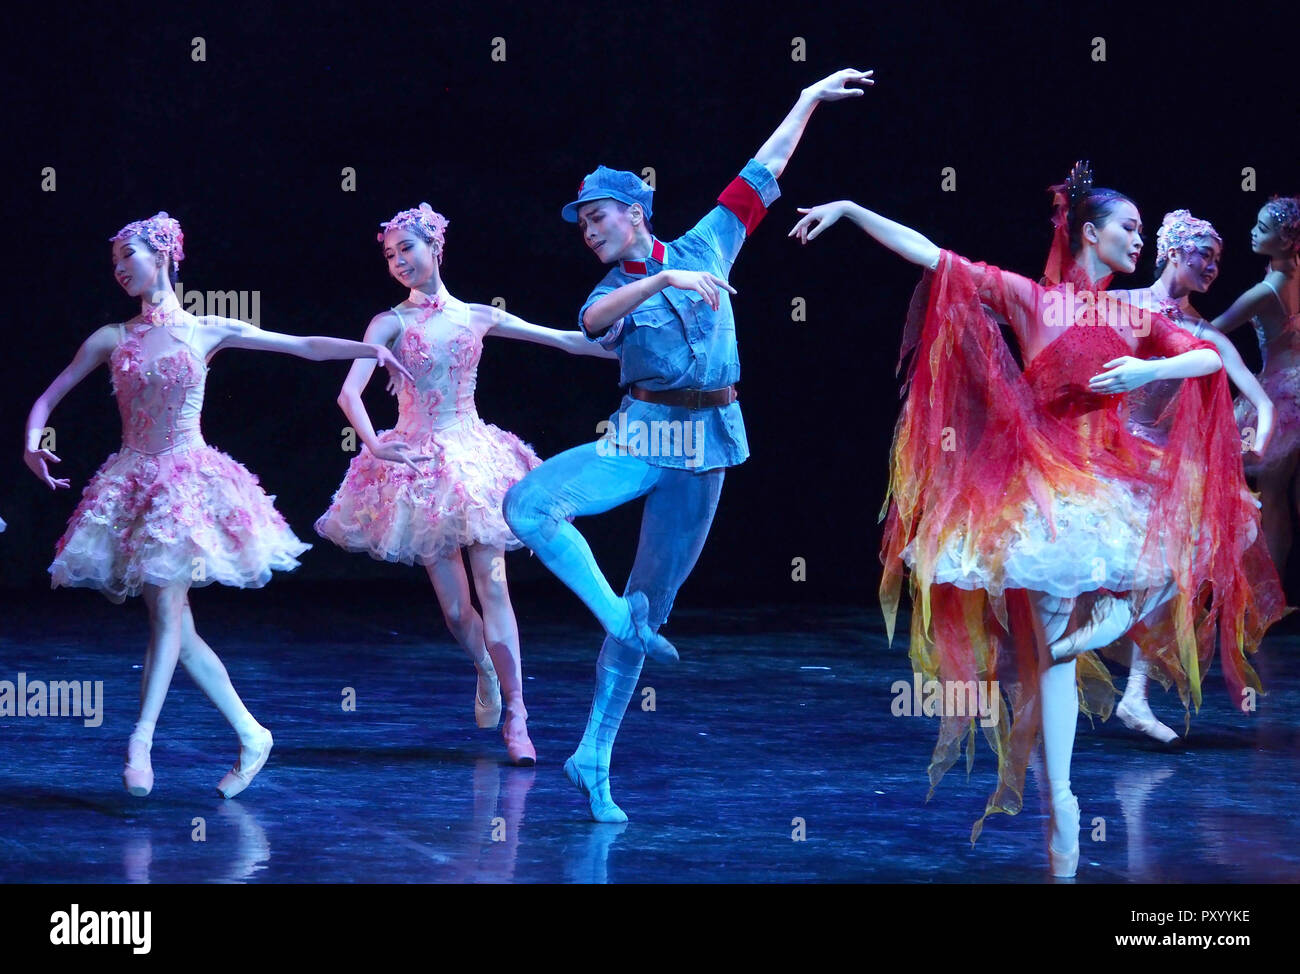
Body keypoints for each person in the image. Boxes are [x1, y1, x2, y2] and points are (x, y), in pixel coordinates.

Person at [790, 163, 1283, 877]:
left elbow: (1207, 356)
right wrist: (850, 204)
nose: (1139, 242)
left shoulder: (1135, 316)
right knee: (1046, 654)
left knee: (1184, 555)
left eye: (1144, 233)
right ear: (1090, 232)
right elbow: (932, 255)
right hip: (1038, 485)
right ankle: (1062, 806)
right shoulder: (1032, 299)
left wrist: (1149, 373)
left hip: (1111, 477)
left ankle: (1108, 633)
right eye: (1129, 229)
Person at [503, 67, 875, 823]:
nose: (590, 230)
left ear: (637, 210)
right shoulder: (616, 288)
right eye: (582, 225)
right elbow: (593, 324)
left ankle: (593, 759)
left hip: (707, 440)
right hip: (643, 432)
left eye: (599, 216)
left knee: (654, 604)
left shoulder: (708, 243)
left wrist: (803, 99)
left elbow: (762, 172)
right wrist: (662, 280)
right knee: (528, 505)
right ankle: (611, 614)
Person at [23, 211, 412, 798]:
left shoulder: (207, 329)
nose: (120, 270)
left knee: (165, 616)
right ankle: (252, 734)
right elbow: (48, 397)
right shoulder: (112, 337)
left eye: (128, 257)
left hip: (189, 483)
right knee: (176, 625)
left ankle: (141, 741)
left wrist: (370, 350)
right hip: (134, 481)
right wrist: (32, 445)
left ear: (163, 256)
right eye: (114, 263)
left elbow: (301, 345)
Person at [315, 203, 616, 765]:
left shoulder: (478, 315)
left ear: (436, 247)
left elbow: (564, 340)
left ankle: (520, 714)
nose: (398, 261)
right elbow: (348, 393)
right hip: (422, 464)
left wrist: (632, 341)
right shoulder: (390, 323)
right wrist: (377, 444)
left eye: (407, 248)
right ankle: (484, 667)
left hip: (475, 457)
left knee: (494, 584)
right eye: (389, 254)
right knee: (456, 611)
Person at [1106, 209, 1274, 742]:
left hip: (1167, 478)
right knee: (1079, 578)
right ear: (1174, 252)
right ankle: (1037, 679)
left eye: (1219, 260)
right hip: (1110, 460)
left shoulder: (1206, 335)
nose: (1213, 268)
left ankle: (1134, 697)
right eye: (1205, 255)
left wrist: (1258, 441)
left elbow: (1261, 402)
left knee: (1168, 575)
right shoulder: (1120, 305)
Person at [1212, 196, 1300, 575]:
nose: (1252, 231)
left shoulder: (1265, 292)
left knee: (1275, 495)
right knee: (1289, 494)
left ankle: (1272, 593)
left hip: (1283, 392)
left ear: (1284, 241)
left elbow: (1213, 330)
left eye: (1262, 229)